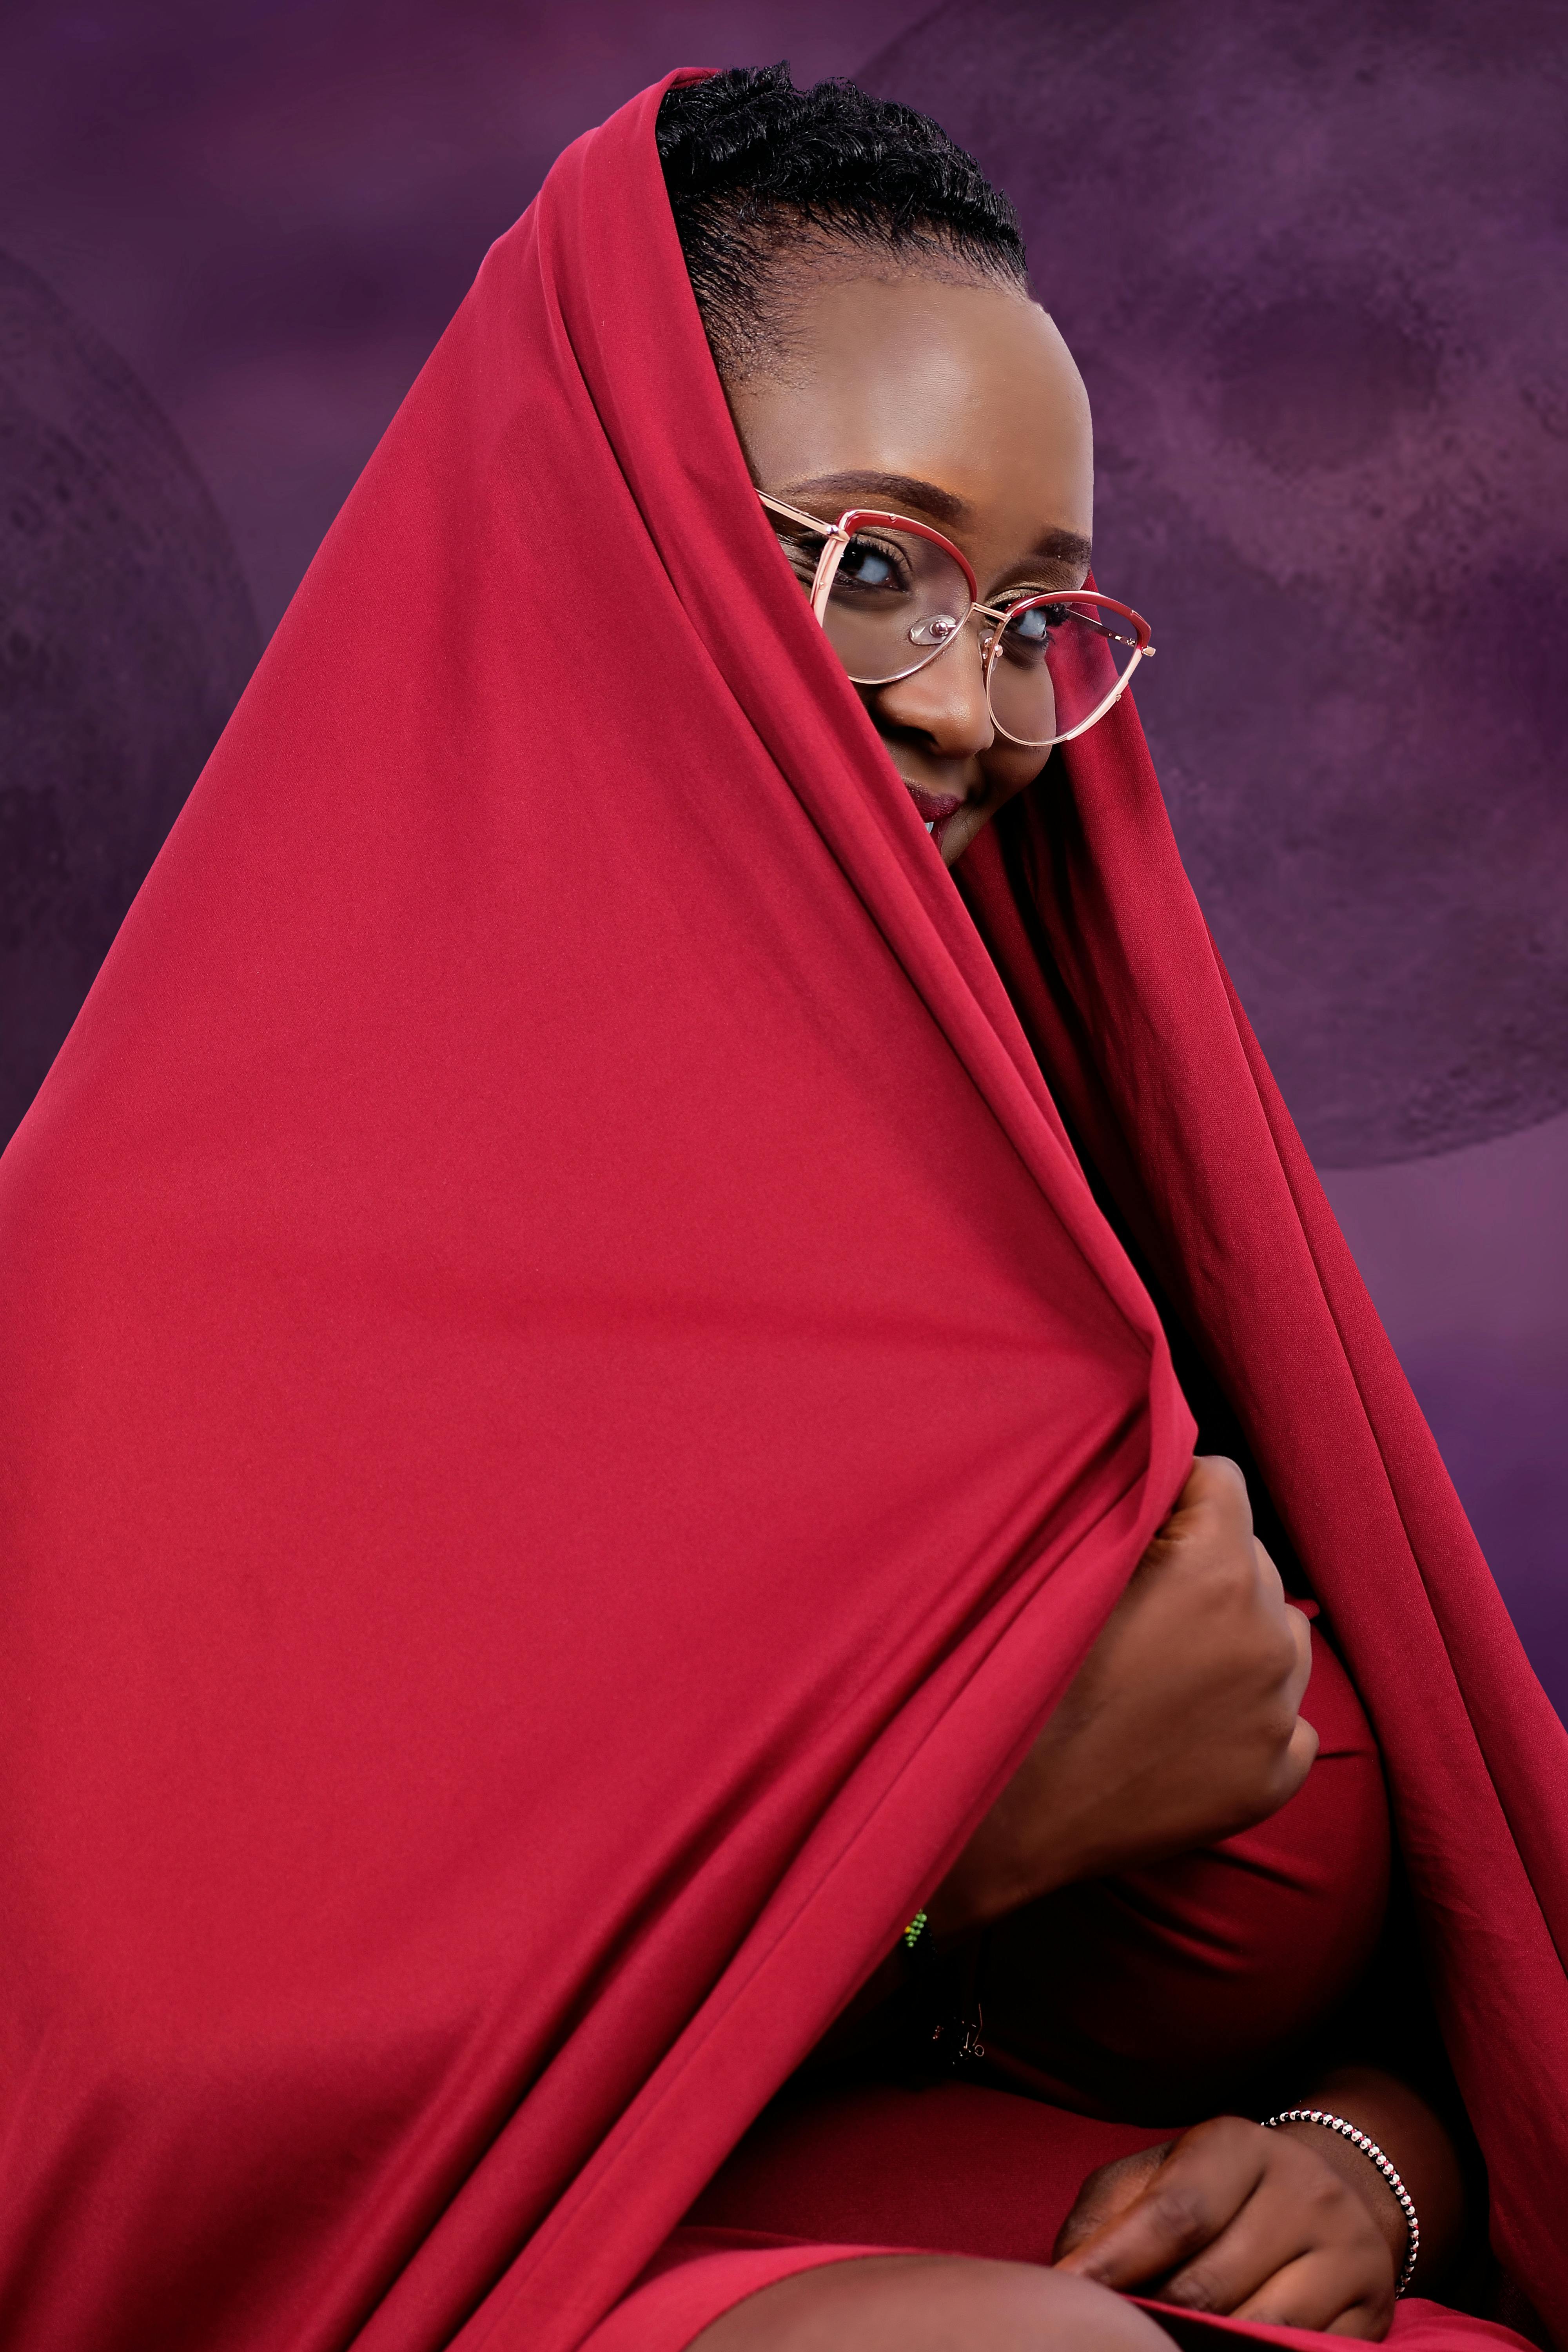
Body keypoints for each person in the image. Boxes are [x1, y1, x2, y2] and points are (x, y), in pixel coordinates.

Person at [0, 61, 1561, 2352]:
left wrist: (1364, 2167)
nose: (979, 712)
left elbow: (1462, 1983)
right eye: (876, 568)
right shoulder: (163, 1281)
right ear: (590, 551)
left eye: (1037, 616)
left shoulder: (1059, 1202)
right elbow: (136, 2160)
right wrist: (962, 1838)